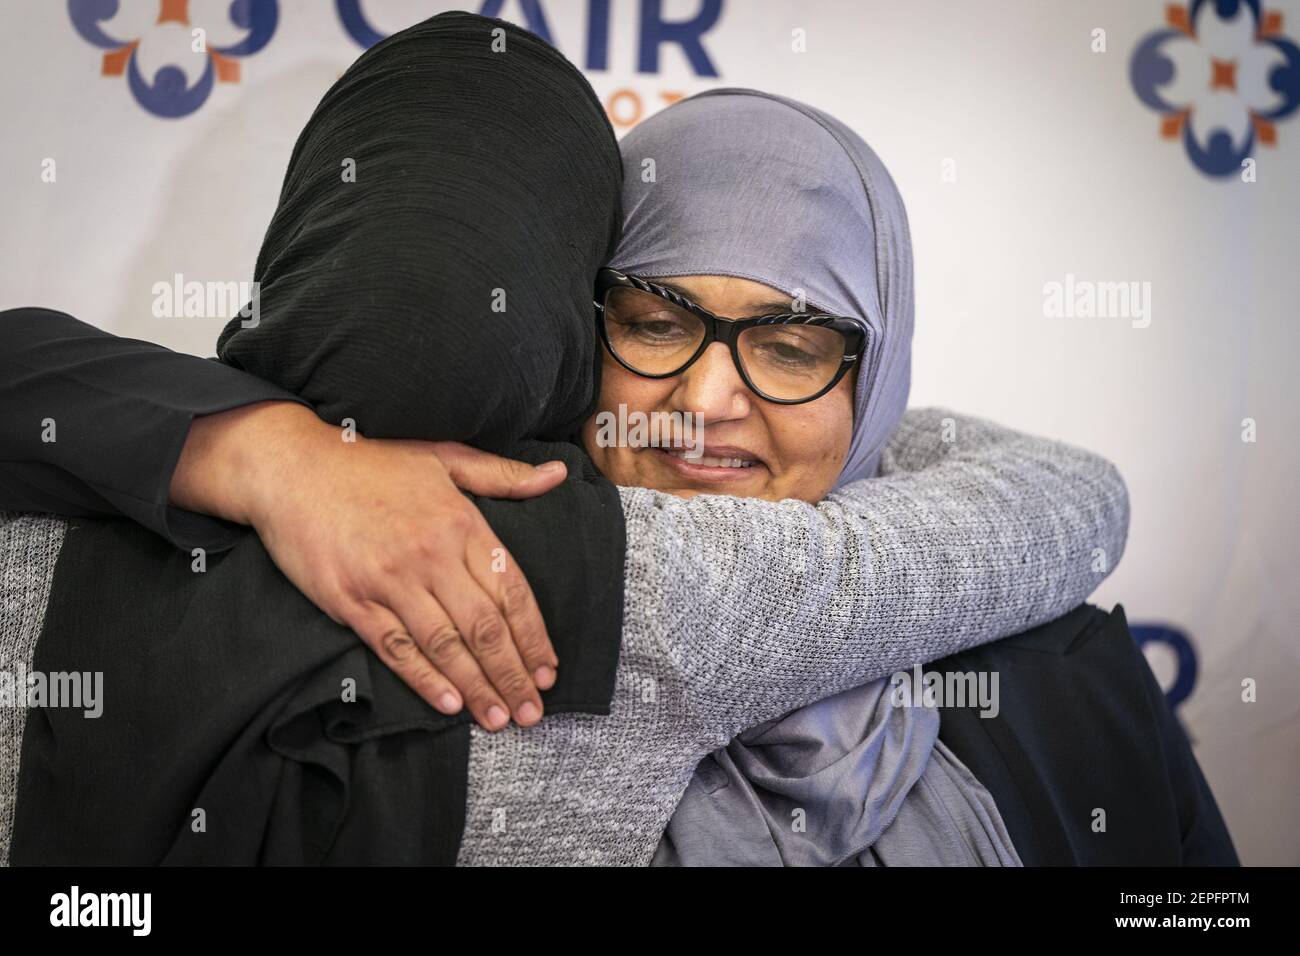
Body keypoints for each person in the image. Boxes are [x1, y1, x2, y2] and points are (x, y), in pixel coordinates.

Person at [0, 12, 1232, 865]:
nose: (710, 395)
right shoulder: (567, 595)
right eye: (652, 323)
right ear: (570, 338)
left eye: (794, 345)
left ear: (883, 371)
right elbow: (1068, 493)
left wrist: (247, 443)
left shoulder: (1063, 675)